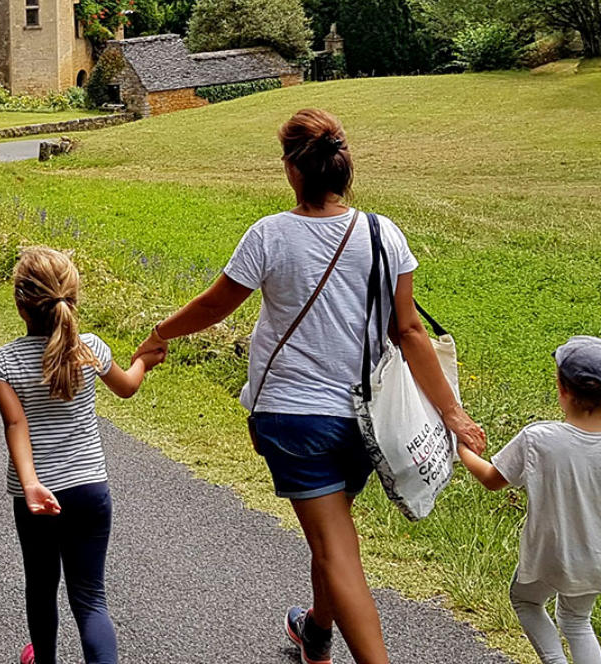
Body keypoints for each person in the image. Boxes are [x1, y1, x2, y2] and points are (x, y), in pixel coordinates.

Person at [135, 109, 485, 664]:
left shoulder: (270, 235)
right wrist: (454, 414)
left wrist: (160, 333)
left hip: (295, 418)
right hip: (367, 422)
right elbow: (410, 331)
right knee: (334, 537)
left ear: (293, 169)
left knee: (336, 550)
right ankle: (316, 633)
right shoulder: (383, 234)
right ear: (342, 166)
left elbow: (215, 305)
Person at [0, 245, 164, 664]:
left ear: (20, 304)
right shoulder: (91, 349)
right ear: (73, 299)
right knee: (90, 598)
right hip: (89, 491)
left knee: (41, 587)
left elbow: (16, 425)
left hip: (37, 499)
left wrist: (32, 484)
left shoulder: (4, 363)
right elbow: (127, 387)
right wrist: (143, 361)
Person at [457, 336, 601, 664]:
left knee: (526, 600)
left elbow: (492, 479)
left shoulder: (539, 438)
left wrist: (461, 449)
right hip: (596, 559)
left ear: (562, 390)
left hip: (551, 554)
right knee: (577, 620)